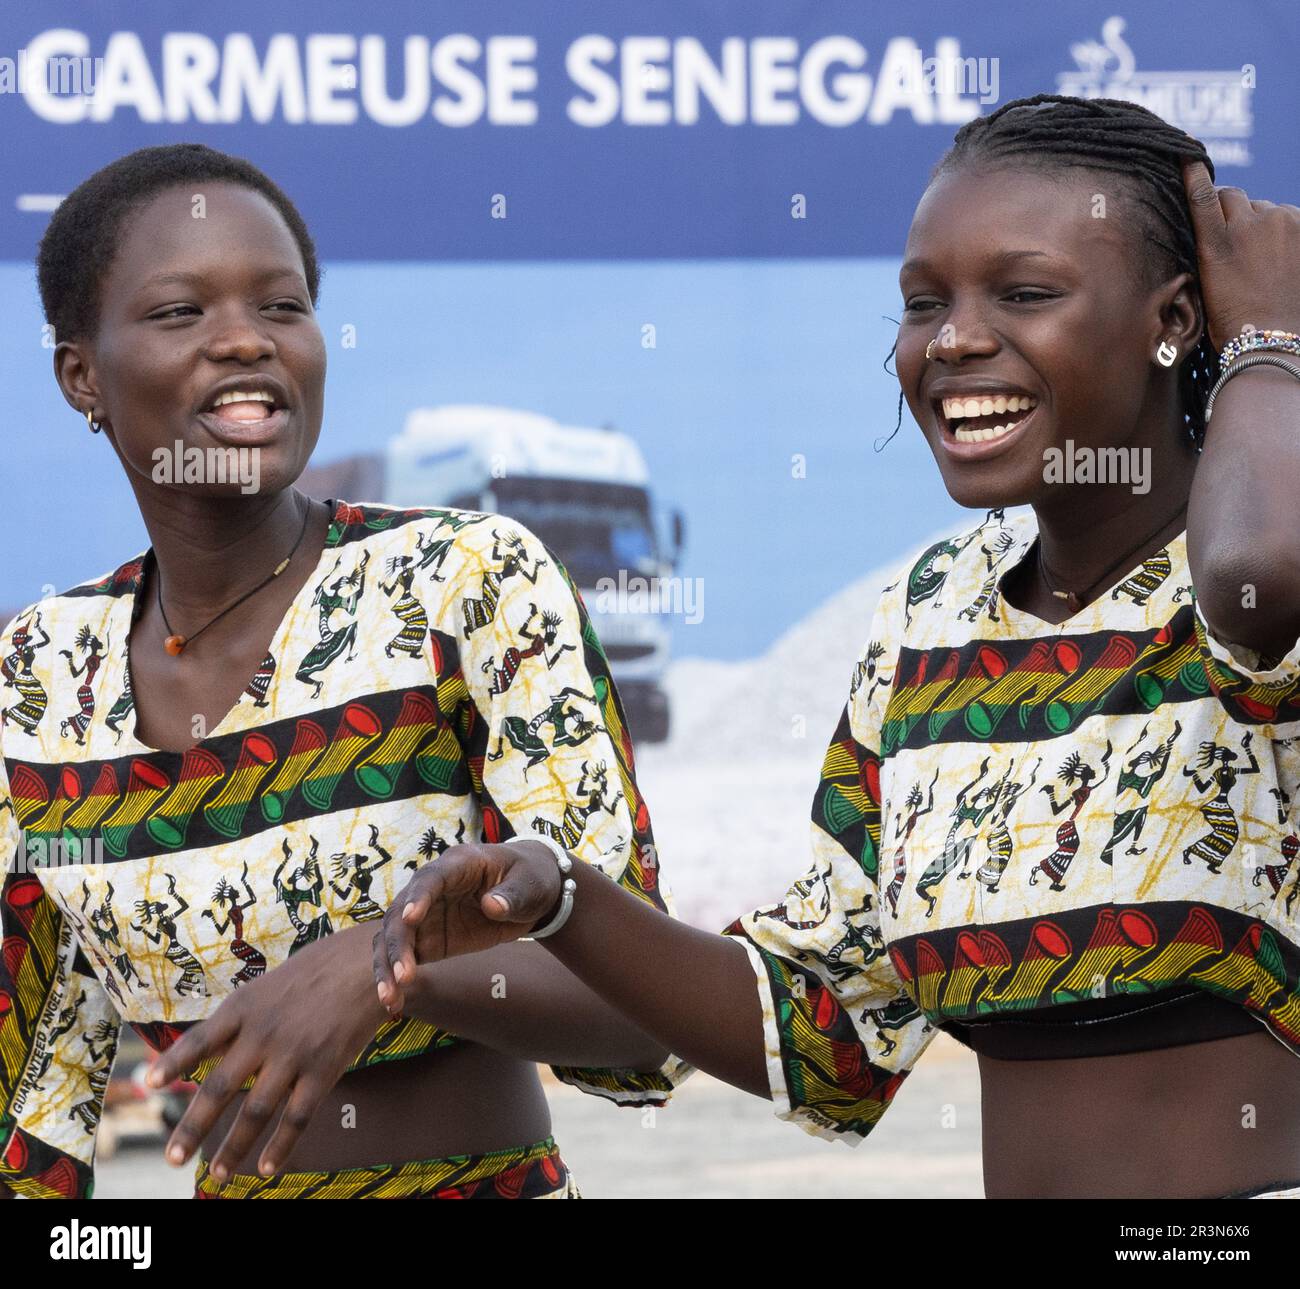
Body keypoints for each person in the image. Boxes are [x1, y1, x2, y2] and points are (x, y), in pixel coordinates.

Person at [367, 96, 1300, 1200]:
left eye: (1024, 292)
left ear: (1176, 319)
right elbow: (821, 1024)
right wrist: (564, 898)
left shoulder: (1253, 560)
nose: (950, 338)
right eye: (921, 301)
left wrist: (1269, 340)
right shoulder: (929, 611)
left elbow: (1255, 586)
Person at [0, 144, 683, 1200]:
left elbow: (644, 1009)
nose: (244, 341)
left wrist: (388, 974)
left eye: (282, 306)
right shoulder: (37, 676)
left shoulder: (467, 583)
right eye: (181, 313)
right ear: (81, 373)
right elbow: (34, 1097)